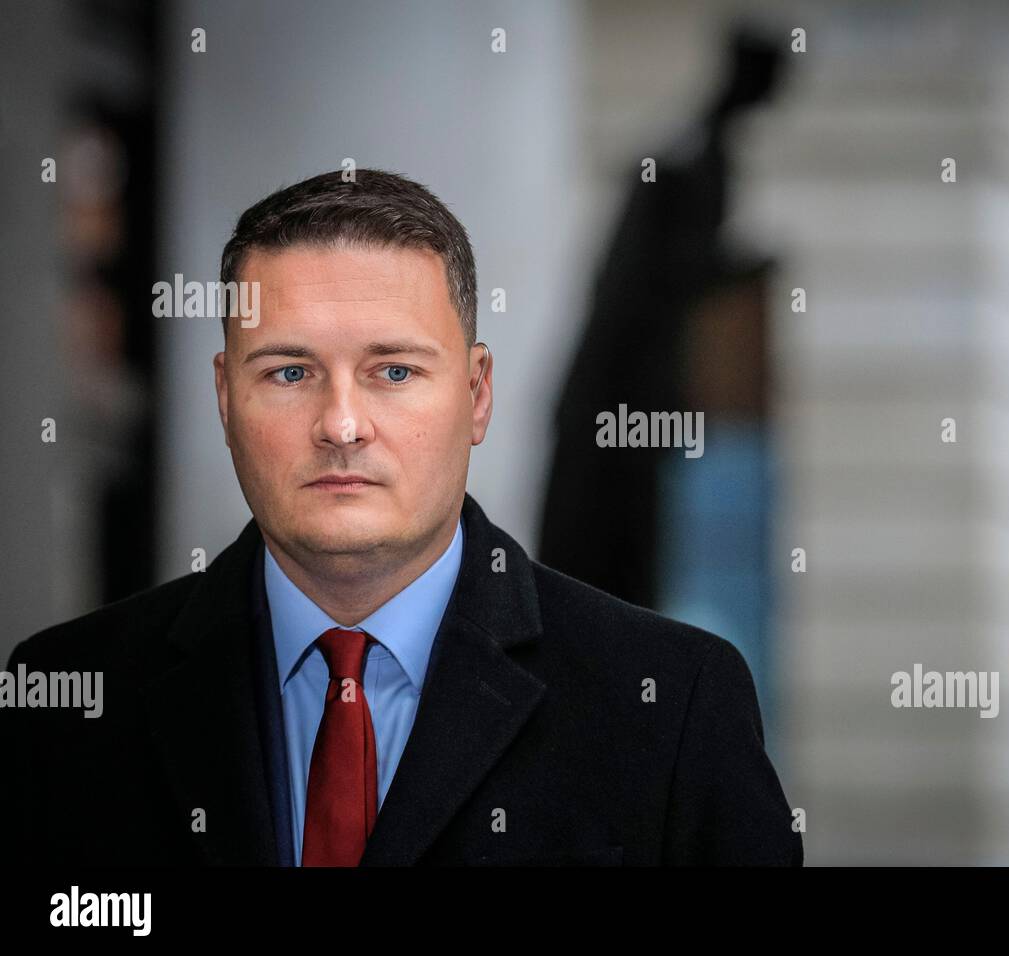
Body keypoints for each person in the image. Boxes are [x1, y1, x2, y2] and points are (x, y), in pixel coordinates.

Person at [0, 169, 802, 866]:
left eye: (393, 370)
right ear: (224, 396)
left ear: (477, 394)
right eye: (288, 371)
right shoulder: (67, 698)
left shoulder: (672, 701)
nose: (342, 424)